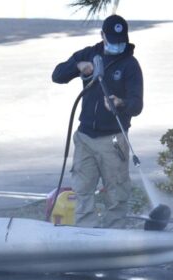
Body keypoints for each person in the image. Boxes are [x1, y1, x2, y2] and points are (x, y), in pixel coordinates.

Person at [52, 14, 143, 228]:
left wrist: (120, 102)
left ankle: (114, 235)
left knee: (117, 193)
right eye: (112, 40)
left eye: (121, 41)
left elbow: (137, 105)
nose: (117, 45)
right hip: (85, 137)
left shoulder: (130, 65)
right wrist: (78, 66)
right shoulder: (90, 54)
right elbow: (57, 75)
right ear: (102, 36)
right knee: (82, 190)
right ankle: (86, 233)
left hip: (113, 139)